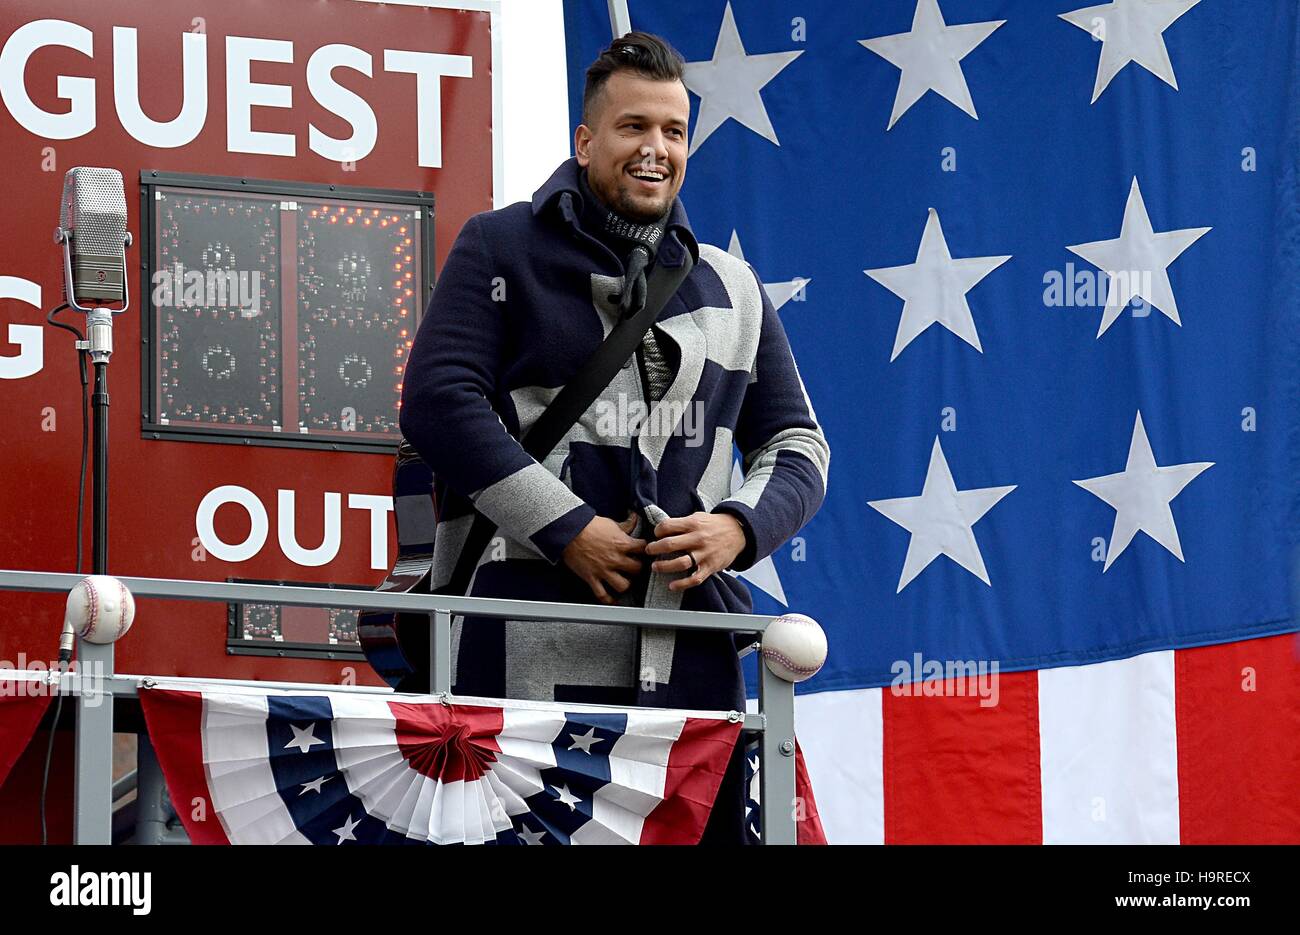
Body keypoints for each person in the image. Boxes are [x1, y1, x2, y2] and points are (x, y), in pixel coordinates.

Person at [398, 31, 829, 842]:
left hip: (690, 652)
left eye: (673, 131)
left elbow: (799, 444)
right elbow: (436, 402)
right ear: (586, 141)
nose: (655, 149)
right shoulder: (501, 246)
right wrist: (568, 531)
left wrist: (737, 527)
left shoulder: (735, 286)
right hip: (517, 635)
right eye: (634, 127)